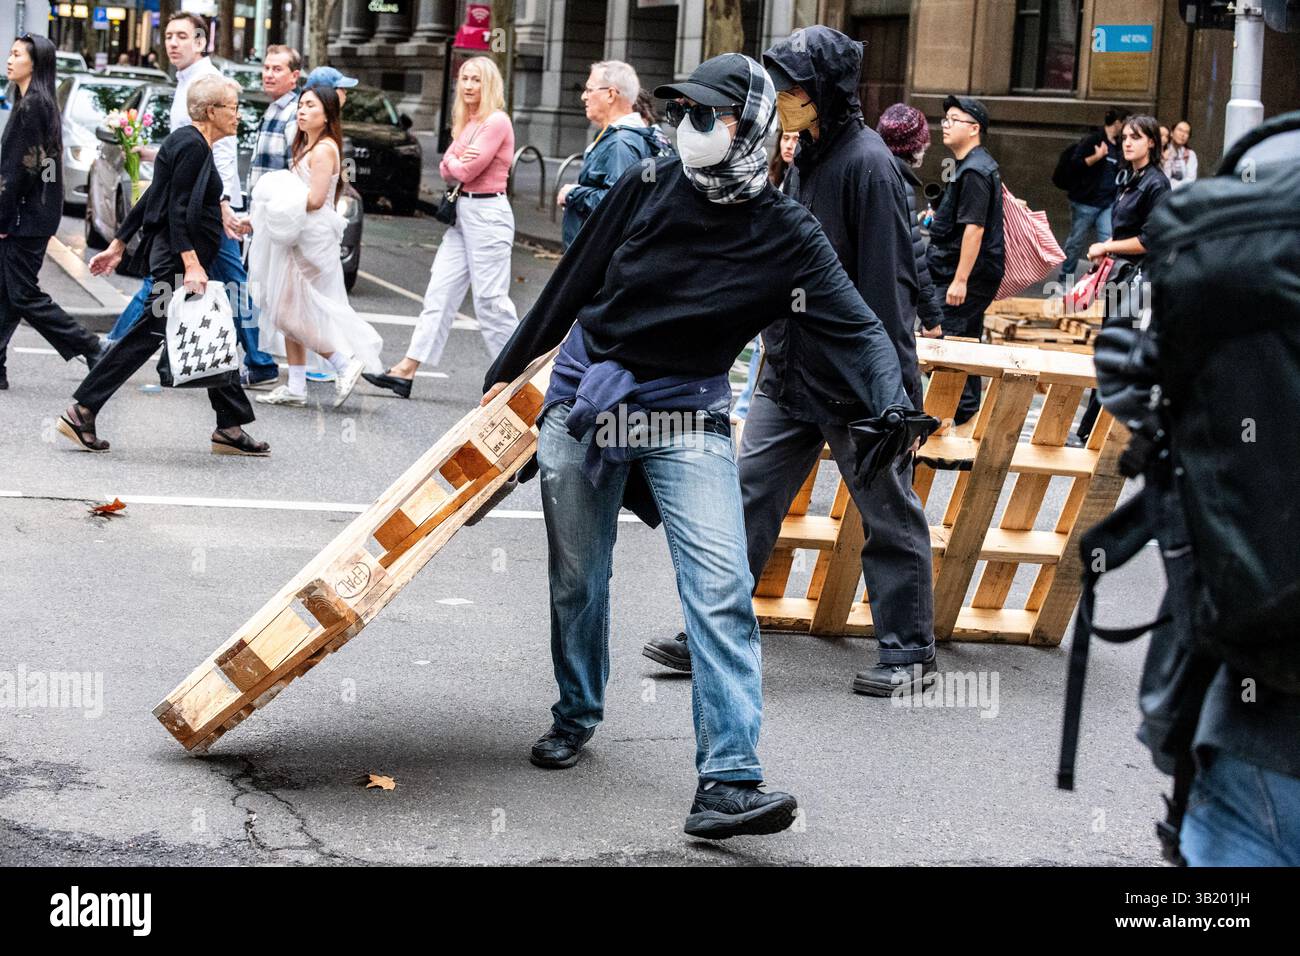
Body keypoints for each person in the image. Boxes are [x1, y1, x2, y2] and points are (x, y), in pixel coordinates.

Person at [480, 53, 925, 838]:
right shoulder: (647, 185)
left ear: (750, 125)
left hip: (686, 415)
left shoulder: (788, 233)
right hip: (590, 401)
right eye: (683, 113)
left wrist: (892, 401)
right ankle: (577, 709)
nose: (692, 130)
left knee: (720, 592)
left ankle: (727, 781)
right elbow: (572, 283)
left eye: (710, 114)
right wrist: (505, 377)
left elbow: (859, 324)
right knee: (578, 579)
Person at [648, 27, 938, 696]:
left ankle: (911, 651)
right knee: (747, 497)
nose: (782, 99)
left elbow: (888, 284)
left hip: (856, 383)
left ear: (825, 94)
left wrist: (893, 393)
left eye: (793, 89)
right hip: (790, 372)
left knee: (887, 511)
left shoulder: (869, 165)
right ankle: (711, 636)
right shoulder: (804, 153)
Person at [59, 76, 268, 457]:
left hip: (179, 259)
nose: (238, 116)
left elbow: (156, 194)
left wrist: (118, 244)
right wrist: (191, 263)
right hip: (177, 263)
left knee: (208, 329)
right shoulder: (193, 147)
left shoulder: (185, 142)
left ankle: (230, 425)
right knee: (148, 335)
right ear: (211, 111)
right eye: (233, 107)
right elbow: (176, 208)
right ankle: (83, 409)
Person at [101, 13, 280, 390]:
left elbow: (223, 151)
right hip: (201, 203)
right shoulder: (184, 83)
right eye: (168, 35)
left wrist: (224, 203)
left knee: (189, 284)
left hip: (209, 207)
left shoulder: (208, 85)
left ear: (201, 42)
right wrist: (154, 155)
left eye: (182, 36)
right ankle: (243, 366)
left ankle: (116, 351)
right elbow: (182, 158)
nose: (172, 43)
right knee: (216, 285)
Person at [363, 57, 518, 400]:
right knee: (439, 294)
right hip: (463, 215)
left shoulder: (496, 122)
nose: (468, 86)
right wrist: (455, 161)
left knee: (491, 302)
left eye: (476, 79)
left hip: (489, 214)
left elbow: (462, 169)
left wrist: (454, 161)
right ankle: (406, 369)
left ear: (489, 83)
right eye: (464, 78)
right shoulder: (469, 122)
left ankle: (518, 375)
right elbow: (453, 166)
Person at [248, 85, 381, 408]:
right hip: (297, 233)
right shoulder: (304, 146)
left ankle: (343, 361)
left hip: (312, 236)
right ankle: (296, 385)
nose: (302, 110)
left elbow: (316, 199)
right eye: (301, 105)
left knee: (288, 310)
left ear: (328, 114)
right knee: (292, 308)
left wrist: (275, 204)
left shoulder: (323, 149)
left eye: (311, 106)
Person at [0, 33, 104, 391]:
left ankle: (91, 345)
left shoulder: (33, 106)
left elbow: (17, 170)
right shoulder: (33, 100)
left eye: (17, 54)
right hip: (34, 213)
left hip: (26, 217)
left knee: (23, 294)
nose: (9, 60)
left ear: (35, 62)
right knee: (7, 291)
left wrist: (2, 218)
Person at [1073, 113, 1171, 444]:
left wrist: (1107, 244)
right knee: (1112, 348)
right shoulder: (1129, 176)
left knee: (1117, 351)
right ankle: (1094, 431)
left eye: (1137, 137)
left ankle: (1095, 432)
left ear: (1152, 142)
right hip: (1120, 275)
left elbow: (1150, 239)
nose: (1127, 142)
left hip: (1138, 279)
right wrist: (1107, 252)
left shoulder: (1156, 183)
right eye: (1125, 136)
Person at [927, 94, 1004, 425]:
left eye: (953, 120)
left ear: (974, 129)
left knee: (951, 344)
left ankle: (948, 418)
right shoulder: (969, 165)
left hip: (964, 276)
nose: (945, 125)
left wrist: (960, 279)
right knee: (965, 342)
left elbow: (975, 229)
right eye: (945, 119)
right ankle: (964, 415)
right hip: (966, 272)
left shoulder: (974, 170)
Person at [557, 61, 663, 249]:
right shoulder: (631, 137)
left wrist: (573, 194)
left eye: (589, 90)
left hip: (599, 257)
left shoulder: (621, 143)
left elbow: (619, 204)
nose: (584, 96)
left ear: (611, 94)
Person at [876, 102, 944, 339]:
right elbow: (915, 255)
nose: (926, 148)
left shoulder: (872, 170)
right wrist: (932, 317)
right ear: (913, 147)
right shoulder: (899, 185)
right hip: (887, 306)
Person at [1055, 106, 1127, 286]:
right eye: (1124, 123)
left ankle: (1103, 281)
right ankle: (1066, 278)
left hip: (1108, 202)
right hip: (1085, 202)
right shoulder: (1093, 140)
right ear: (1118, 123)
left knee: (1108, 242)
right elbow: (1074, 165)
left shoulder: (1119, 145)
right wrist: (1096, 157)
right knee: (1076, 242)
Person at [1162, 119, 1198, 190]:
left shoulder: (1190, 154)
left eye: (1186, 132)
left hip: (1181, 196)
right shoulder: (1162, 151)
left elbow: (1191, 180)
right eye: (1180, 130)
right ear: (1172, 133)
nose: (1183, 135)